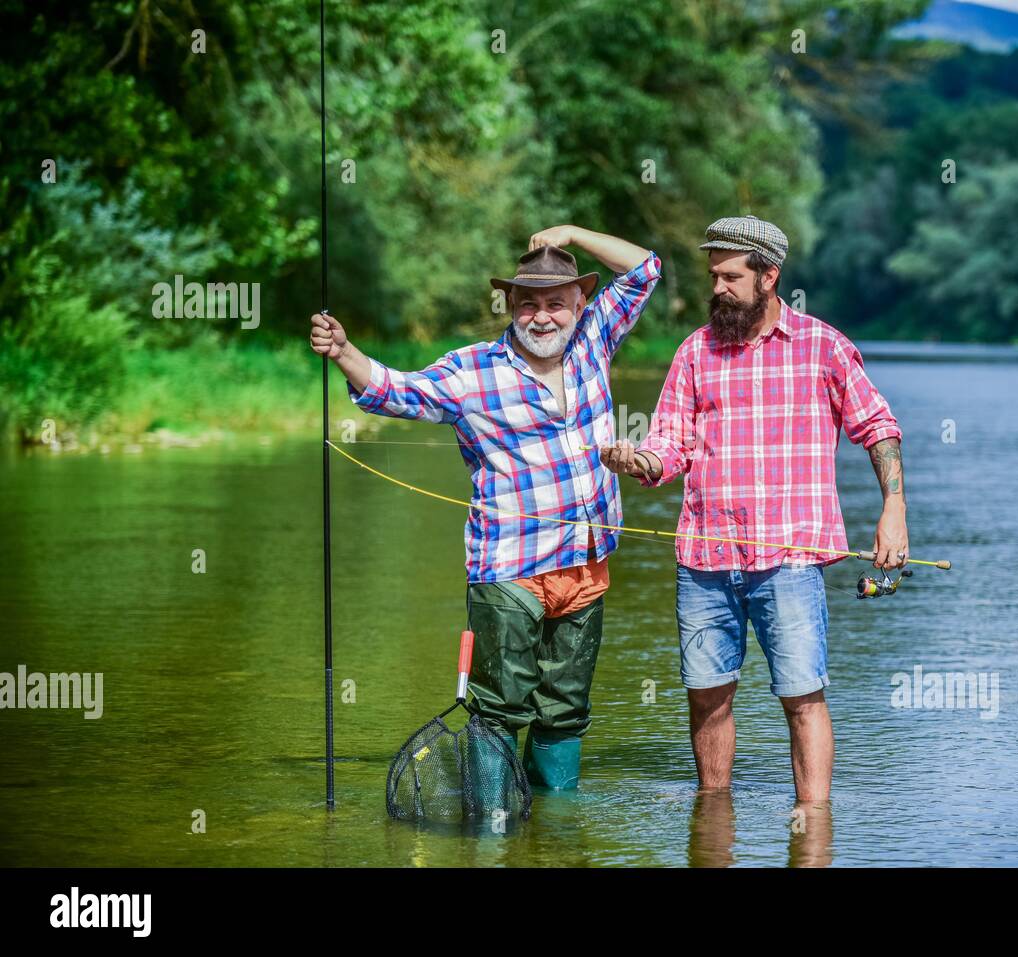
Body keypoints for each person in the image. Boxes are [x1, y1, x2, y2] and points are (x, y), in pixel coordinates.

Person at [310, 226, 660, 792]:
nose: (542, 317)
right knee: (498, 711)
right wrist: (345, 351)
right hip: (509, 572)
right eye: (528, 304)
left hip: (587, 565)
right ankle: (496, 834)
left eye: (555, 303)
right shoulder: (471, 370)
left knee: (565, 711)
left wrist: (569, 231)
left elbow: (645, 268)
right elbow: (394, 391)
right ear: (512, 306)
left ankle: (554, 833)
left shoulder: (595, 339)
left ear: (580, 304)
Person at [600, 214, 906, 802]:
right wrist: (639, 462)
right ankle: (713, 822)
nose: (717, 288)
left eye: (730, 276)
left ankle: (813, 828)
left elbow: (878, 427)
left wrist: (894, 508)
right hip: (704, 558)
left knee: (802, 695)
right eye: (713, 275)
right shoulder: (694, 352)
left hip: (789, 560)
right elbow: (670, 444)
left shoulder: (823, 347)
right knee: (707, 694)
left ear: (769, 276)